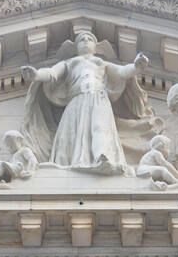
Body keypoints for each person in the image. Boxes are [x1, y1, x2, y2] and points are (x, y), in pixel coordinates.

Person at [21, 30, 153, 174]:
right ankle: (71, 162)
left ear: (96, 47)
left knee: (100, 127)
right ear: (76, 47)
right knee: (72, 132)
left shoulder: (100, 62)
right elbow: (52, 73)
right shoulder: (70, 62)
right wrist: (37, 74)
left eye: (89, 39)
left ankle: (102, 157)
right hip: (77, 100)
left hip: (99, 99)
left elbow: (122, 72)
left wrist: (136, 67)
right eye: (81, 39)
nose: (85, 40)